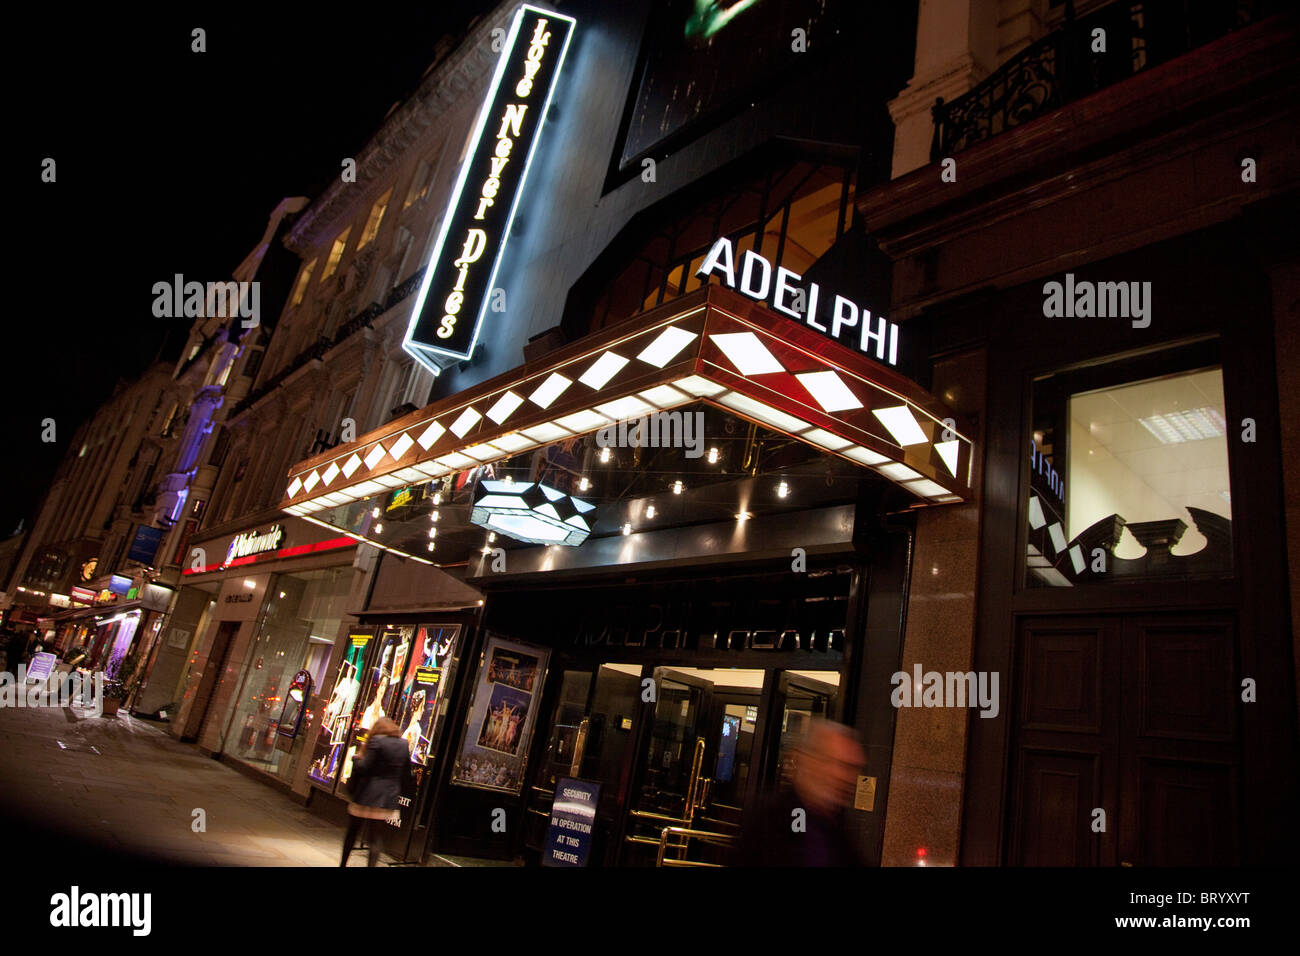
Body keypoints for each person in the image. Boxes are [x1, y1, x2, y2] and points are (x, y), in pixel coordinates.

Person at [736, 719, 869, 866]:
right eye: (841, 765)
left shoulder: (835, 830)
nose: (846, 777)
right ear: (808, 760)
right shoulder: (771, 822)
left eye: (853, 769)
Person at [340, 716, 410, 867]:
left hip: (367, 794)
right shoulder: (404, 745)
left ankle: (343, 864)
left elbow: (364, 767)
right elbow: (406, 773)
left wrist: (355, 759)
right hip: (388, 797)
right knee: (376, 837)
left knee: (353, 832)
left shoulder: (377, 741)